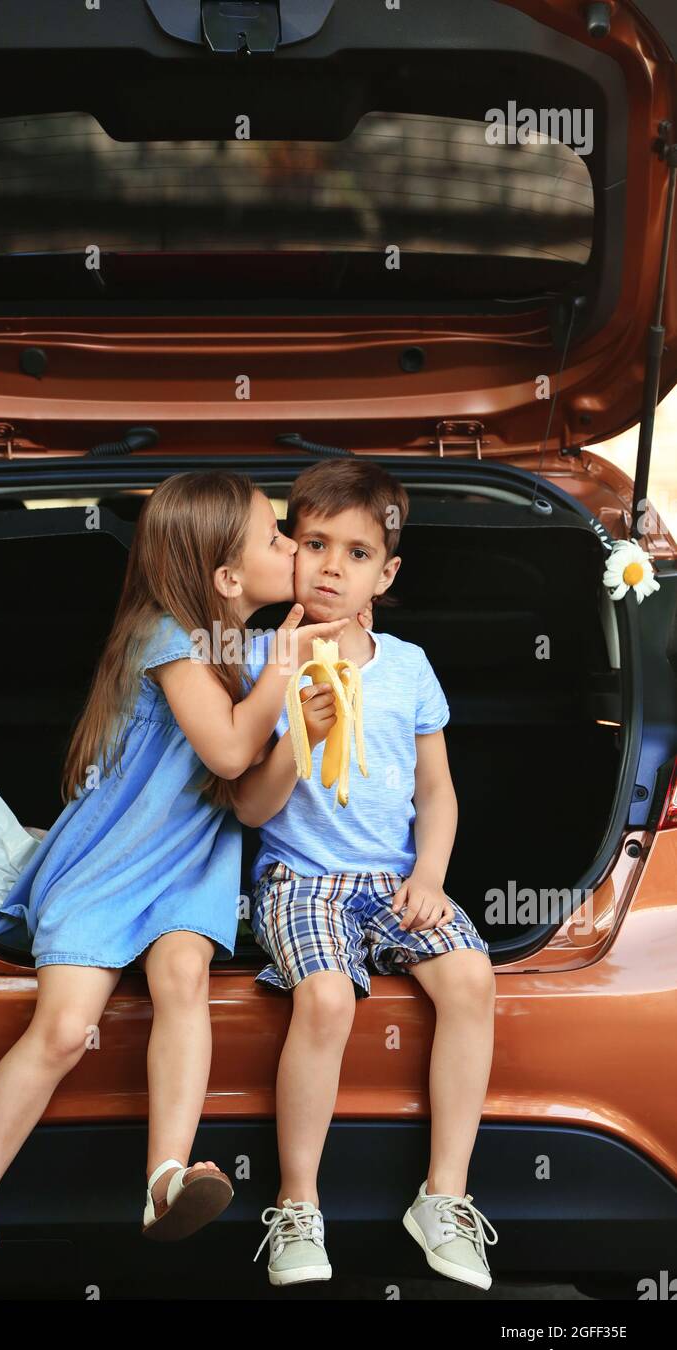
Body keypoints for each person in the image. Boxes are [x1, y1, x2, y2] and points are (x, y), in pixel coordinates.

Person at [0, 471, 365, 1269]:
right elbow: (230, 749)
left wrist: (302, 725)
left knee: (183, 979)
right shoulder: (168, 636)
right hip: (111, 866)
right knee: (61, 1031)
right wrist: (282, 680)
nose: (296, 549)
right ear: (228, 581)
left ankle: (166, 1174)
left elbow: (251, 802)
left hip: (189, 867)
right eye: (278, 538)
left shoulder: (247, 655)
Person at [232, 458, 498, 1290]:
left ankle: (443, 1196)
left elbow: (437, 789)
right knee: (326, 997)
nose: (331, 568)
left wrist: (430, 873)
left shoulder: (409, 667)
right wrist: (292, 732)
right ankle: (299, 1204)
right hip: (301, 879)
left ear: (385, 574)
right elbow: (249, 807)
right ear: (289, 552)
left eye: (355, 552)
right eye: (313, 544)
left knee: (471, 978)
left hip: (391, 880)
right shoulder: (259, 660)